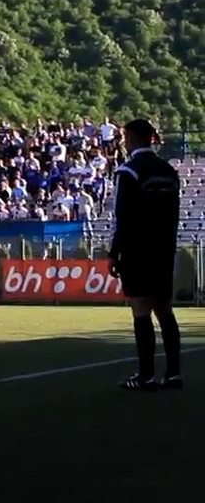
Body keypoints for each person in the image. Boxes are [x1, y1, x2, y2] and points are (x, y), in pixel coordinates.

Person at [108, 119, 182, 391]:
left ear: (132, 138)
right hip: (163, 249)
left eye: (125, 136)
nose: (123, 141)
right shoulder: (168, 170)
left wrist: (115, 252)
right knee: (164, 310)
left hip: (138, 250)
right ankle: (173, 374)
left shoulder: (128, 170)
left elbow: (123, 216)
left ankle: (145, 375)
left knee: (140, 309)